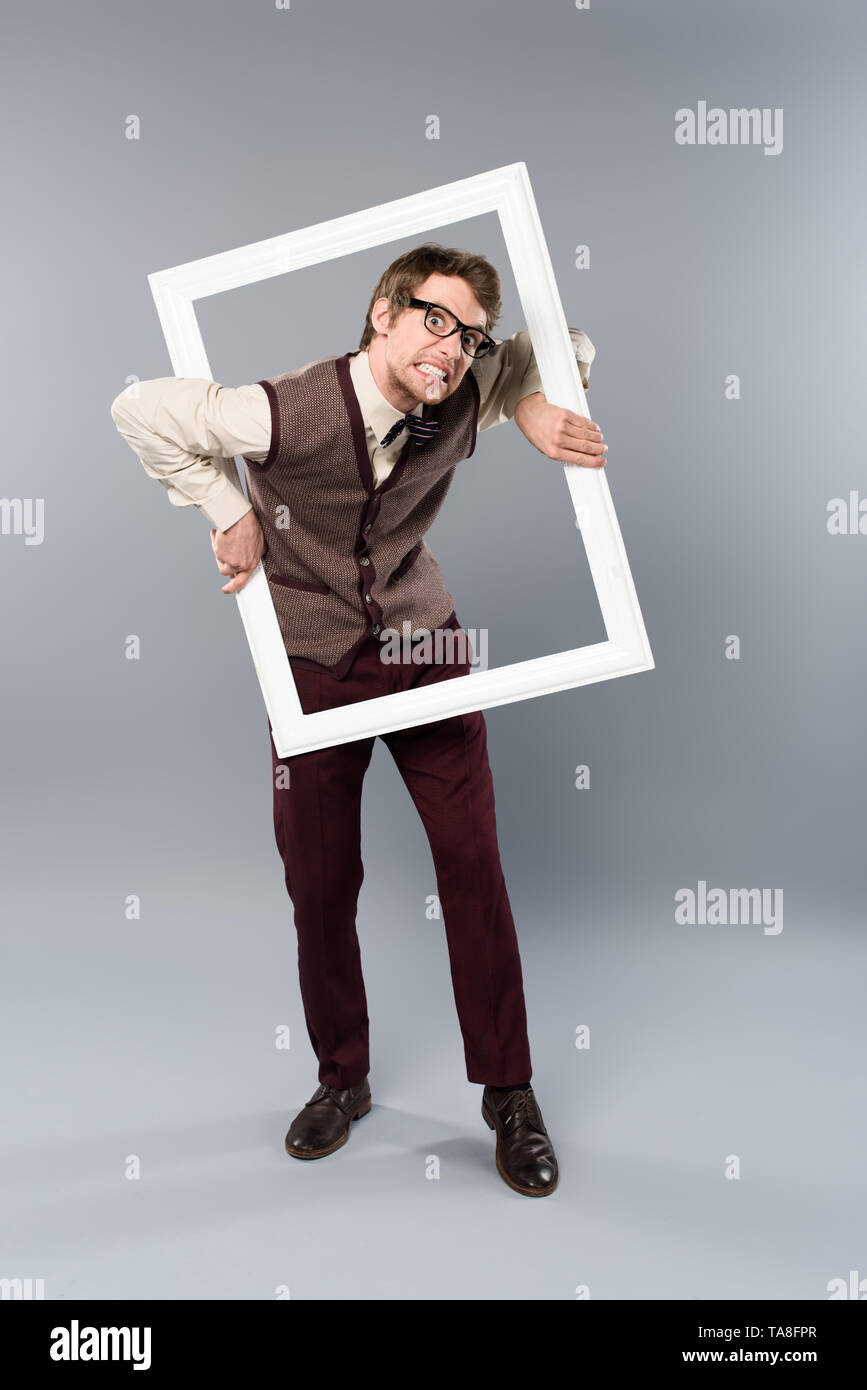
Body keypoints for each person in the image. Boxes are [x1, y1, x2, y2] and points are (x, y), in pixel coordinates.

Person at [110, 242, 606, 1197]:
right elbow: (137, 408)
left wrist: (534, 400)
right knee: (320, 878)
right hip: (310, 662)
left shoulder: (465, 382)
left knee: (473, 866)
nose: (452, 348)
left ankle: (509, 1092)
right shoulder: (280, 410)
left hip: (424, 649)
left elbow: (565, 341)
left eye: (469, 336)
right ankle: (342, 1078)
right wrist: (224, 502)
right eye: (434, 320)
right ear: (382, 312)